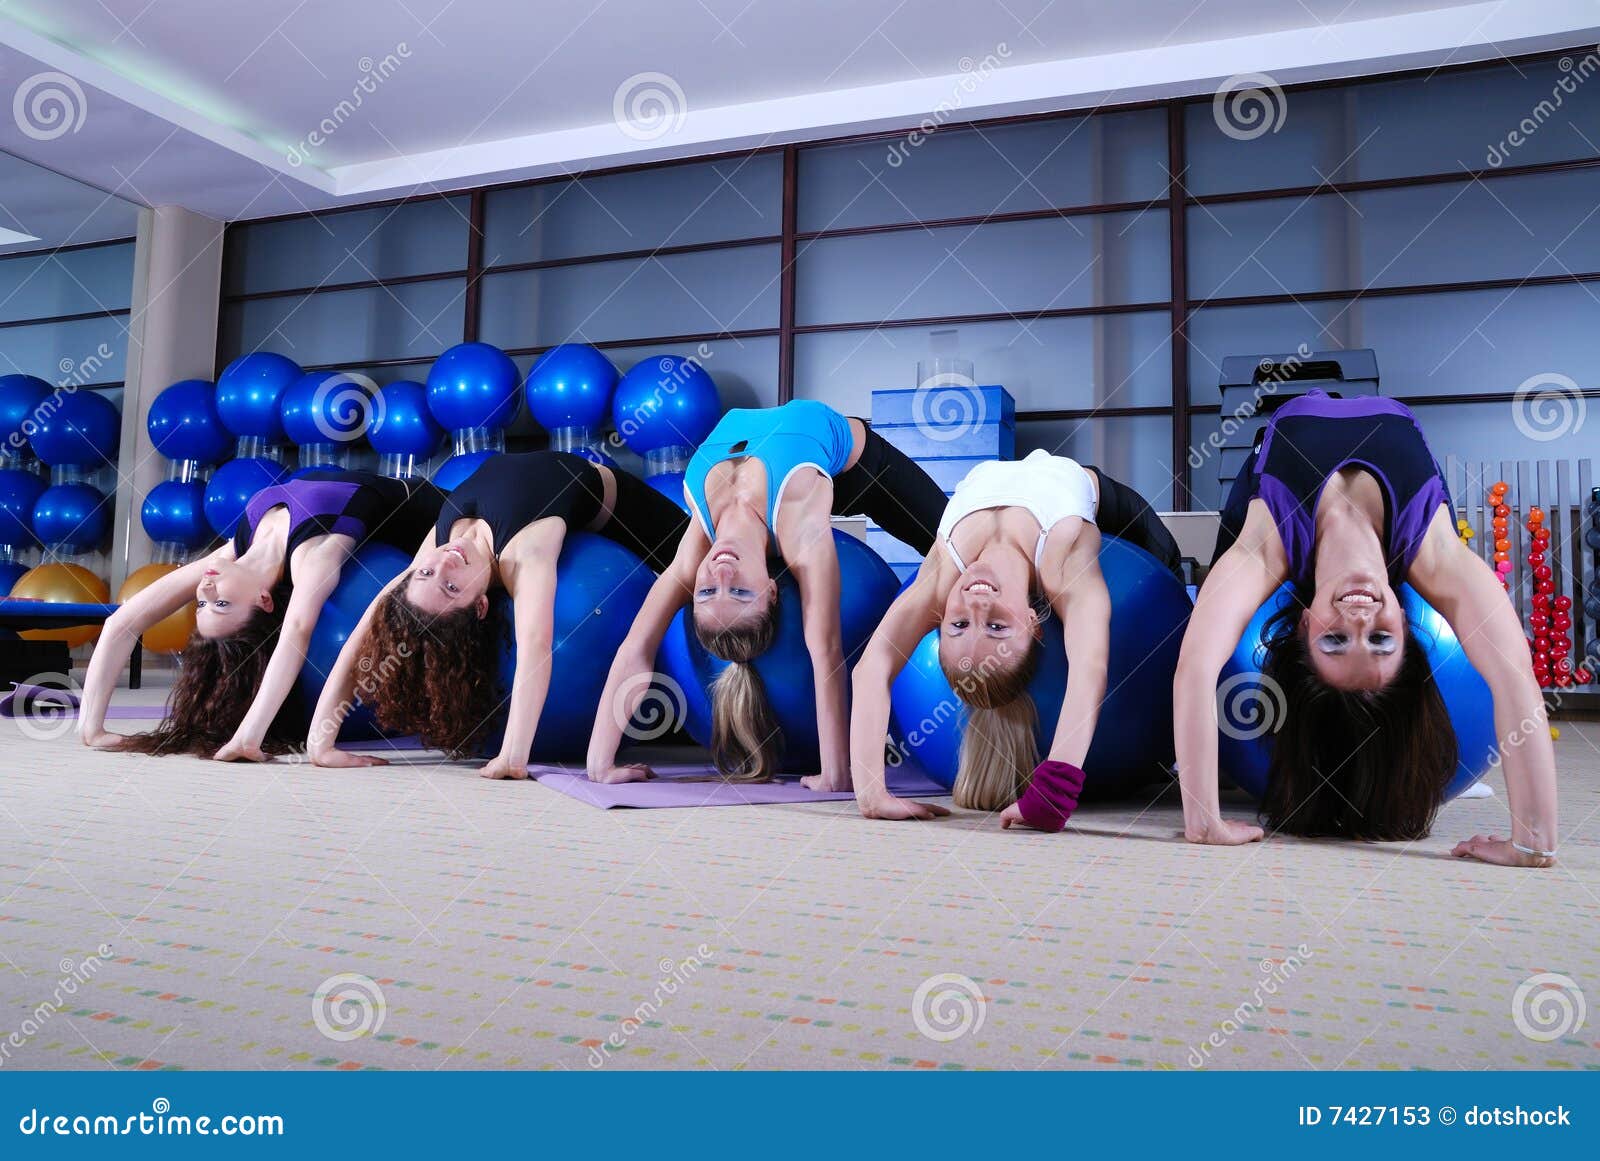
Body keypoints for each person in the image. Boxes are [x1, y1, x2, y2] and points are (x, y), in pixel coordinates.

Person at [1172, 390, 1557, 866]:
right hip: (1390, 443)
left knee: (1221, 577)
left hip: (1272, 464)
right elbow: (1514, 674)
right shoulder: (1436, 556)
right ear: (1406, 625)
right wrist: (1533, 841)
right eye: (1381, 639)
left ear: (1303, 627)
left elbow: (1195, 667)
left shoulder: (1265, 546)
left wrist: (1203, 818)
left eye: (1335, 641)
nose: (1359, 619)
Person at [586, 399, 947, 788]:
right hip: (860, 471)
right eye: (740, 591)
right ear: (772, 589)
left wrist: (597, 761)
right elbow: (825, 651)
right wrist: (836, 773)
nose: (721, 571)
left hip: (791, 466)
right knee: (953, 549)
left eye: (707, 591)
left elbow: (636, 647)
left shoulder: (692, 555)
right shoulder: (801, 529)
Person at [849, 450, 1182, 828]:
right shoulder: (1062, 562)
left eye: (959, 625)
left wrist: (871, 792)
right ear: (1032, 622)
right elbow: (1090, 667)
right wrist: (1053, 794)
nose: (976, 603)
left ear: (939, 620)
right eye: (995, 627)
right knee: (1170, 575)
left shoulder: (940, 579)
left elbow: (871, 669)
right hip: (1115, 508)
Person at [305, 451, 687, 779]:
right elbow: (536, 649)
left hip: (619, 499)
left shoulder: (434, 556)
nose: (445, 565)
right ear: (482, 605)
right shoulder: (525, 554)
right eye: (452, 588)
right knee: (699, 576)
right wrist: (513, 756)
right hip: (633, 520)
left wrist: (320, 739)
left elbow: (365, 630)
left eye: (427, 572)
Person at [78, 470, 444, 759]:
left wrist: (91, 727)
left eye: (203, 605)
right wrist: (248, 737)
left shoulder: (231, 553)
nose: (205, 591)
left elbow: (121, 622)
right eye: (221, 603)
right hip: (440, 515)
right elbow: (297, 632)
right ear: (264, 601)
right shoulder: (313, 559)